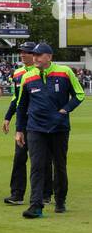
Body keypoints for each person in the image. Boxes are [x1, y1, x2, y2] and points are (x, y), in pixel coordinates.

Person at [15, 42, 84, 217]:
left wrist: (65, 110)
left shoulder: (65, 72)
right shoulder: (27, 77)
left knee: (59, 165)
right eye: (34, 55)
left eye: (38, 55)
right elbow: (21, 106)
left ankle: (60, 200)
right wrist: (19, 130)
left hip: (59, 128)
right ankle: (36, 205)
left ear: (49, 57)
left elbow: (79, 94)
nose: (35, 57)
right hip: (35, 128)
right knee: (37, 166)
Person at [2, 42, 50, 206]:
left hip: (41, 121)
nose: (22, 55)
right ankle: (17, 194)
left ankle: (46, 193)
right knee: (19, 157)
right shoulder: (18, 73)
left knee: (42, 159)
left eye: (26, 52)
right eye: (21, 52)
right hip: (24, 121)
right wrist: (8, 116)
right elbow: (17, 99)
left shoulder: (42, 72)